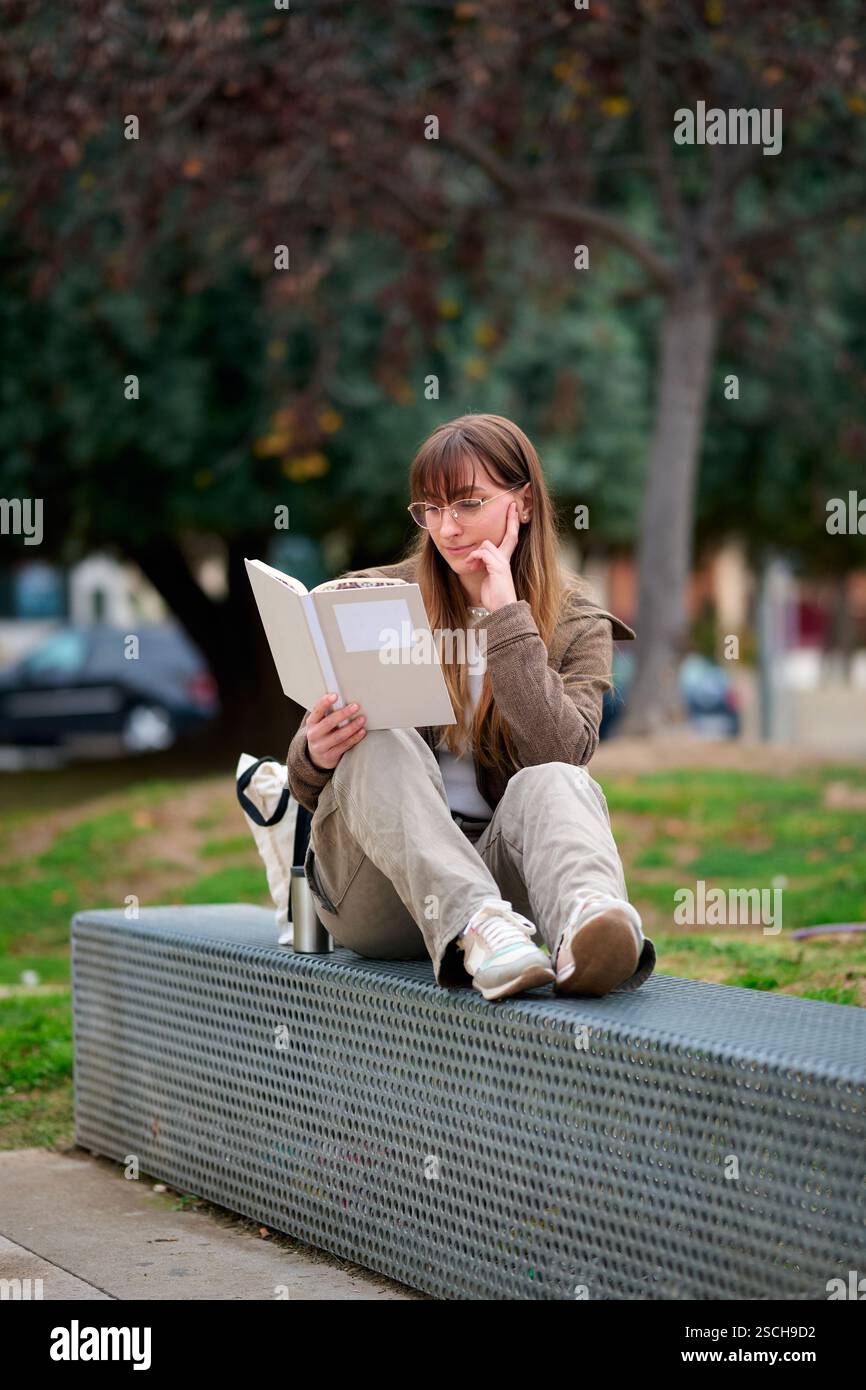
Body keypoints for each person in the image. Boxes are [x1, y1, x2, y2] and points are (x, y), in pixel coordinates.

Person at [287, 413, 656, 1002]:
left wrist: (509, 617)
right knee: (379, 738)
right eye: (430, 510)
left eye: (467, 503)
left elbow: (562, 751)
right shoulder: (375, 598)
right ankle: (478, 925)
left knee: (555, 780)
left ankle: (589, 923)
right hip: (381, 890)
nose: (447, 527)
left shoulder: (577, 620)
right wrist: (312, 752)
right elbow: (316, 787)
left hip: (509, 887)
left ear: (525, 503)